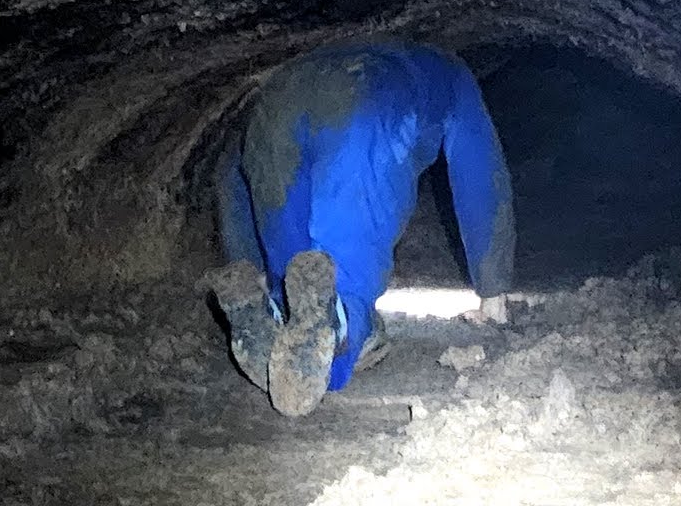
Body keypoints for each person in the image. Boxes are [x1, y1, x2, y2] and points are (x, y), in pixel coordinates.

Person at [205, 41, 516, 416]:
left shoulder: (331, 54)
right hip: (369, 97)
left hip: (278, 98)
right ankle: (338, 341)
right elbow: (480, 173)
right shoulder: (451, 74)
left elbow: (231, 171)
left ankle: (262, 314)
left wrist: (246, 264)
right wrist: (493, 290)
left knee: (291, 282)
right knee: (340, 283)